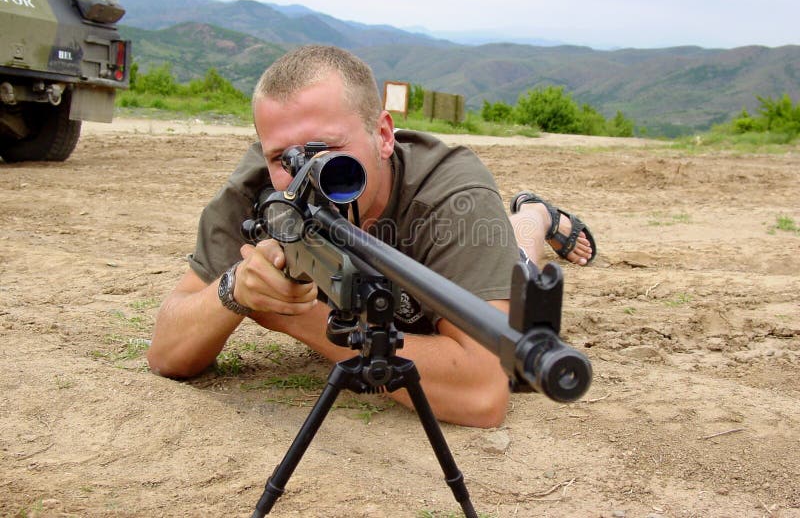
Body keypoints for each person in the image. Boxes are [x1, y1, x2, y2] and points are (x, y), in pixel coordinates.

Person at [147, 45, 594, 428]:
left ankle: (535, 215)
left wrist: (292, 316)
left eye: (329, 151)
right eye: (284, 157)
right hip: (387, 328)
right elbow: (168, 351)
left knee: (520, 258)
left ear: (382, 135)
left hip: (454, 279)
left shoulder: (451, 191)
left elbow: (483, 393)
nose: (304, 173)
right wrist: (235, 289)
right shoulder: (263, 188)